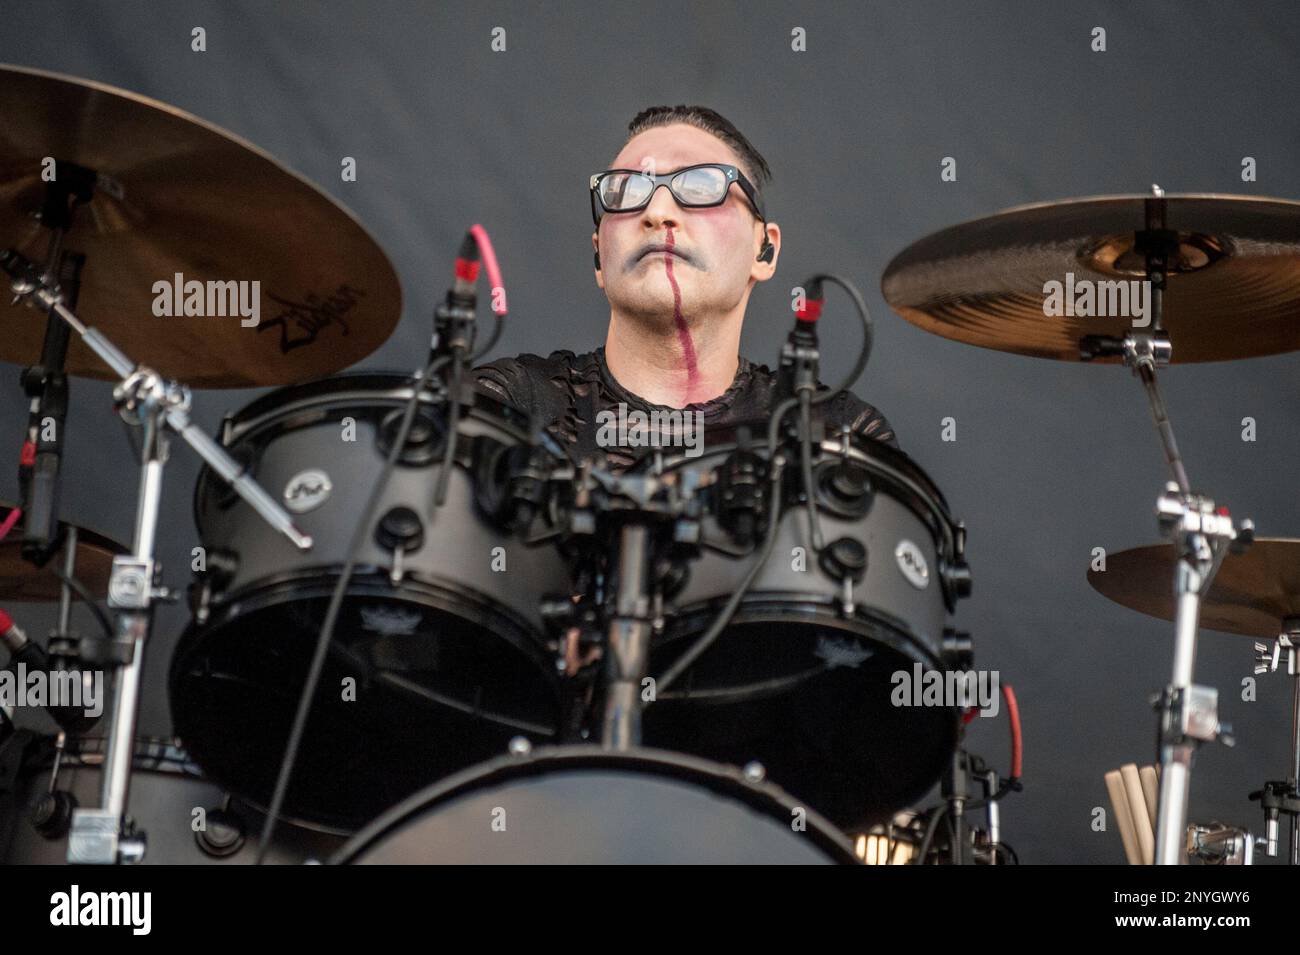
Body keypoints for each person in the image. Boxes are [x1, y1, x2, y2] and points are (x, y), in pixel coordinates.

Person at [473, 104, 896, 469]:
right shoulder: (505, 404)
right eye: (627, 190)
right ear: (600, 257)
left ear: (764, 250)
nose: (657, 212)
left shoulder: (836, 434)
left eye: (700, 186)